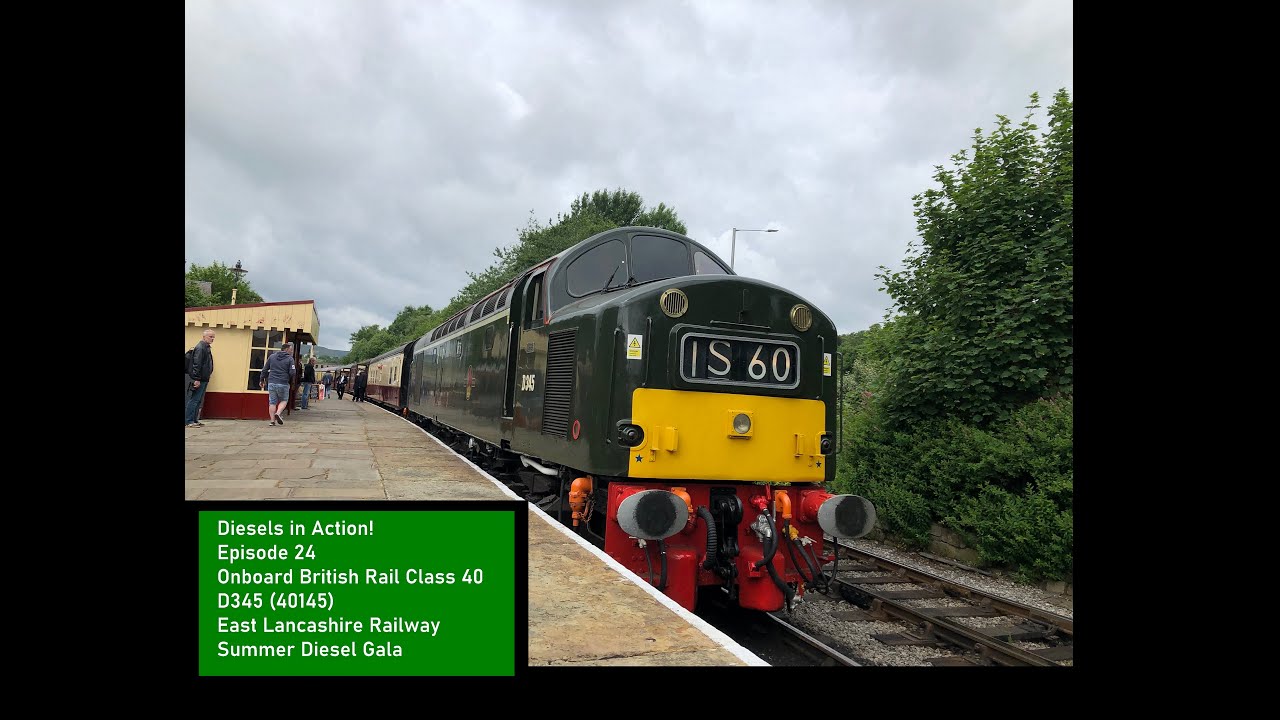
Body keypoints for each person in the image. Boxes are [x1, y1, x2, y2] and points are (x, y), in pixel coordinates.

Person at [260, 341, 297, 425]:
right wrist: (292, 381)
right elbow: (292, 372)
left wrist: (262, 380)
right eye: (291, 350)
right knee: (284, 400)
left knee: (272, 402)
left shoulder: (272, 357)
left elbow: (265, 369)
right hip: (283, 382)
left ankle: (272, 421)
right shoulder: (290, 359)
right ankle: (278, 413)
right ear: (286, 349)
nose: (291, 352)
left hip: (272, 382)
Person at [185, 329, 216, 428]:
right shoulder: (200, 348)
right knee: (194, 399)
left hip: (204, 378)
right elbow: (196, 364)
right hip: (200, 379)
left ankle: (194, 419)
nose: (212, 339)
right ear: (204, 337)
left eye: (213, 337)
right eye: (210, 337)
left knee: (198, 400)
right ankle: (189, 421)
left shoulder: (205, 347)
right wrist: (196, 379)